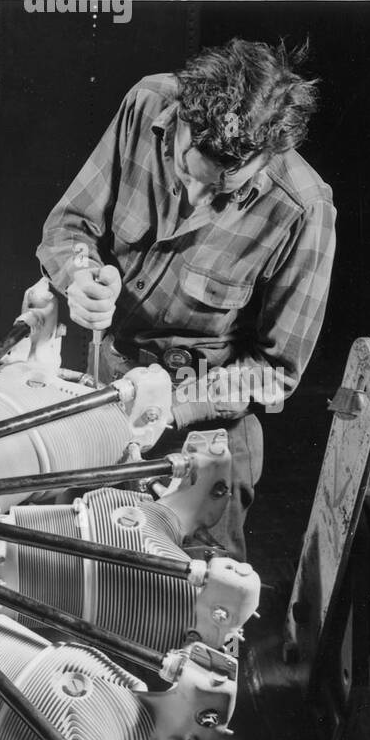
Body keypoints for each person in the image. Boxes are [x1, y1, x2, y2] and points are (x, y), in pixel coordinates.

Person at [35, 39, 336, 561]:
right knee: (68, 568)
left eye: (220, 191)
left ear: (269, 154)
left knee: (192, 602)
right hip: (104, 389)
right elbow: (68, 227)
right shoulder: (148, 103)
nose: (195, 202)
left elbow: (273, 371)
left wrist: (171, 405)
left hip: (203, 422)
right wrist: (80, 275)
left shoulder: (304, 210)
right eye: (184, 173)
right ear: (180, 120)